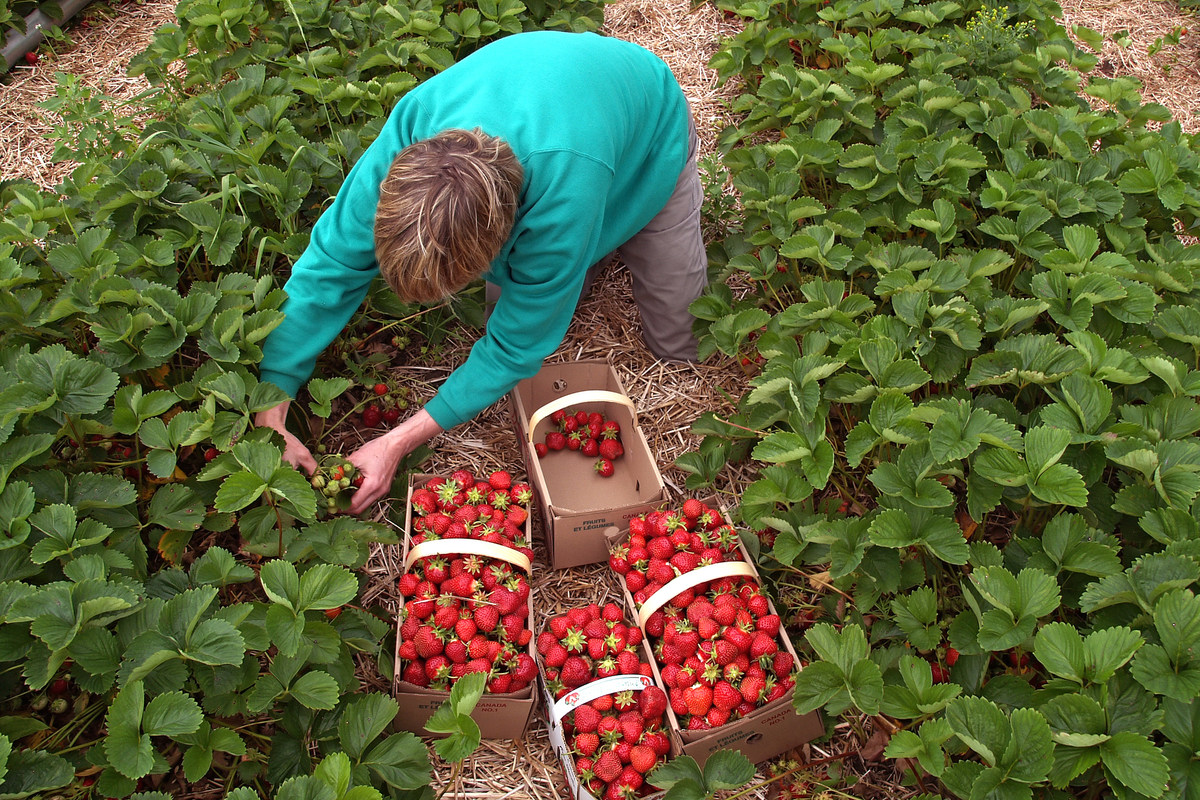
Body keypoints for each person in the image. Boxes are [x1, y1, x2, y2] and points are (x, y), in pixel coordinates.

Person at [256, 30, 708, 514]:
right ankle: (581, 256)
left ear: (502, 234)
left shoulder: (565, 190)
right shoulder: (411, 137)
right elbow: (331, 263)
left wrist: (397, 442)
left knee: (679, 333)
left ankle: (615, 248)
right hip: (566, 116)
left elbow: (515, 346)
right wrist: (271, 407)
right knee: (535, 294)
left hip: (647, 134)